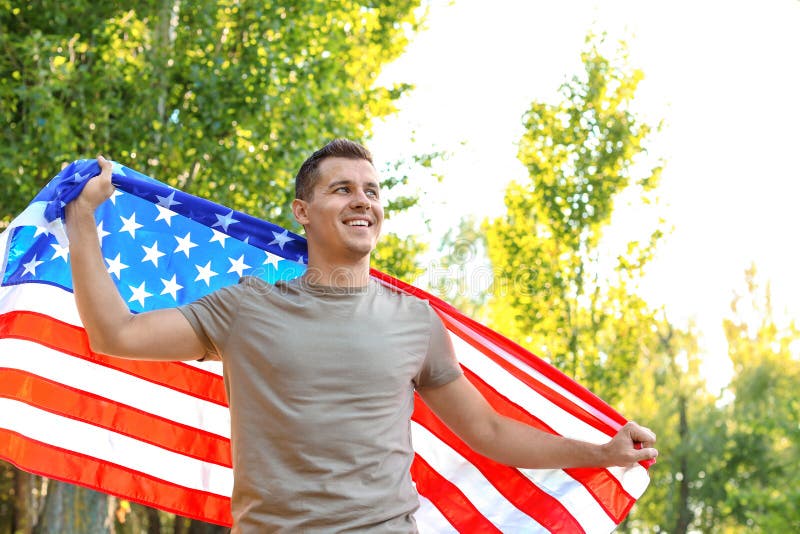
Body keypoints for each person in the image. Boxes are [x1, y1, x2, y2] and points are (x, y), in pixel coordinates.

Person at [66, 139, 658, 533]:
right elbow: (114, 333)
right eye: (343, 189)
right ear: (302, 210)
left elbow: (489, 432)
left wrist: (601, 451)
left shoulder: (416, 321)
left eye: (372, 191)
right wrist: (82, 221)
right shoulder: (245, 308)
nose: (362, 201)